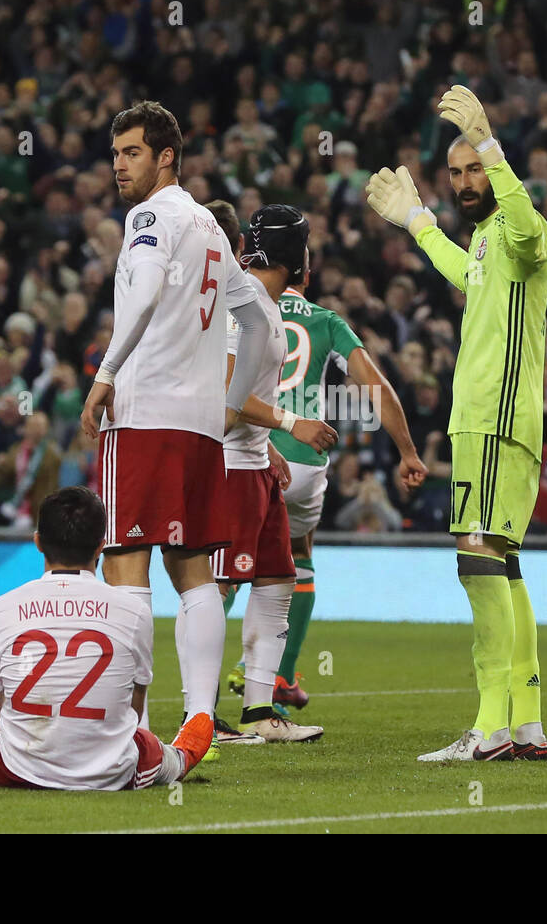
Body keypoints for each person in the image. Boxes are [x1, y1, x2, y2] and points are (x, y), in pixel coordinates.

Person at [78, 102, 334, 745]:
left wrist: (106, 373)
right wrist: (229, 405)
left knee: (126, 563)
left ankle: (130, 726)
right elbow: (261, 328)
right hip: (201, 432)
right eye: (115, 155)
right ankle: (197, 720)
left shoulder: (149, 217)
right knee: (194, 573)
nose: (119, 166)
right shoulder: (215, 233)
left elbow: (140, 295)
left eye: (131, 153)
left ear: (166, 156)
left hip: (142, 417)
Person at [367, 84, 547, 762]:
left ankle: (490, 725)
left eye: (475, 167)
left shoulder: (520, 229)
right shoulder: (482, 242)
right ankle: (525, 719)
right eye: (458, 171)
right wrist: (417, 219)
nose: (467, 180)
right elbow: (462, 273)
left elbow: (530, 231)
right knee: (501, 562)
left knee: (474, 555)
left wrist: (493, 142)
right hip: (492, 421)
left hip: (495, 419)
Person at [220, 204, 427, 717]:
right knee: (297, 554)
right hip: (304, 458)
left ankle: (204, 698)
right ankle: (279, 676)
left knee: (225, 564)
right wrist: (407, 452)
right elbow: (376, 388)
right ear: (305, 272)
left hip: (242, 446)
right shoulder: (327, 321)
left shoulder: (237, 306)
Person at [0, 486, 213, 790]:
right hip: (110, 768)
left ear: (37, 542)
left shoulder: (0, 608)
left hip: (21, 766)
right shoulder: (135, 611)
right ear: (101, 546)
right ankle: (181, 756)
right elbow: (133, 709)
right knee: (146, 747)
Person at [208, 203, 324, 742]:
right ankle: (200, 714)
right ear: (298, 256)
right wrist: (289, 423)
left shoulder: (263, 302)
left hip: (254, 462)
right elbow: (225, 397)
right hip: (228, 468)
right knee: (216, 586)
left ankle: (258, 712)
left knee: (277, 578)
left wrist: (269, 448)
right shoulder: (249, 305)